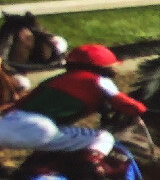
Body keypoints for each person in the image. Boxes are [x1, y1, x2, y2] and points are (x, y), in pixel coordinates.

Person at [0, 43, 143, 164]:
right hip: (41, 129)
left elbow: (19, 104)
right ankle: (90, 170)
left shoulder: (53, 80)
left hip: (6, 125)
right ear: (100, 67)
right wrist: (143, 110)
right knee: (103, 138)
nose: (114, 69)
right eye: (111, 66)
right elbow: (127, 104)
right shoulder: (99, 80)